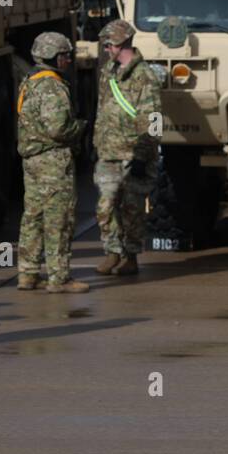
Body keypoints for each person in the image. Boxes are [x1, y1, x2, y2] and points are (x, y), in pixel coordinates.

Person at [16, 32, 89, 292]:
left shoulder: (29, 81)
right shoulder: (53, 86)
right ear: (52, 57)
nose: (68, 60)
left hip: (32, 160)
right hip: (54, 160)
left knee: (32, 217)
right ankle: (59, 277)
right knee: (59, 218)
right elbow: (58, 128)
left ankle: (27, 273)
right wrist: (80, 128)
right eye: (64, 56)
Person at [92, 19, 161, 277]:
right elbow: (102, 109)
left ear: (120, 44)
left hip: (134, 155)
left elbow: (153, 119)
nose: (106, 49)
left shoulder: (145, 77)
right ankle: (112, 251)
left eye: (108, 44)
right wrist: (96, 144)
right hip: (108, 152)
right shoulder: (107, 72)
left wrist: (143, 155)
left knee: (132, 209)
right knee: (105, 205)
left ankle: (130, 255)